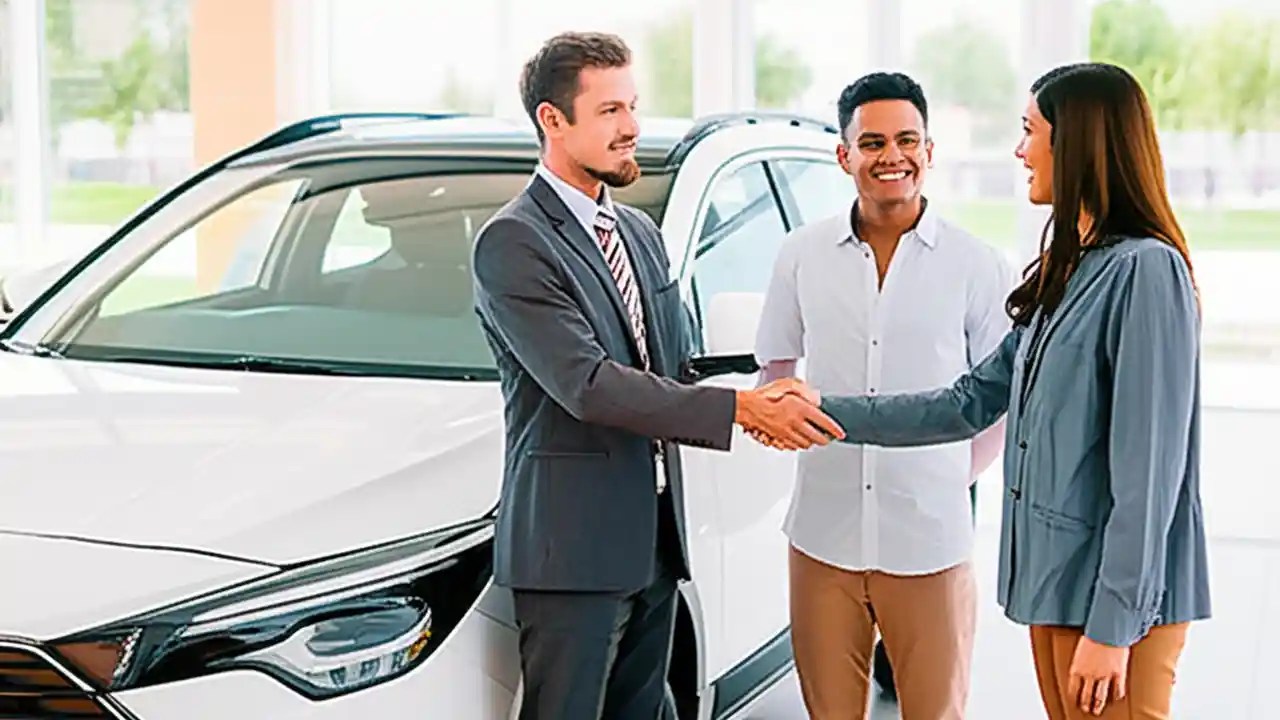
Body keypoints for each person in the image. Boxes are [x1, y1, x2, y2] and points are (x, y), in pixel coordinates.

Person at [765, 62, 1212, 720]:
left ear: (1078, 142)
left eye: (1030, 131)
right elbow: (967, 402)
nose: (1019, 149)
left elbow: (1151, 474)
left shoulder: (1147, 271)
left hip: (1117, 607)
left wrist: (1114, 627)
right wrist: (821, 409)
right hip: (1060, 587)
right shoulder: (1069, 267)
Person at [470, 31, 844, 720]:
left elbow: (669, 368)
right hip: (574, 557)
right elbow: (588, 384)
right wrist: (742, 413)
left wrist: (763, 392)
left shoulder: (640, 234)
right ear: (553, 121)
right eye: (610, 110)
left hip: (658, 545)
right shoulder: (514, 241)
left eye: (632, 107)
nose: (631, 127)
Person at [753, 72, 1014, 720]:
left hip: (930, 541)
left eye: (906, 140)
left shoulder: (976, 263)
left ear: (930, 149)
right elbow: (774, 375)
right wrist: (791, 429)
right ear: (844, 156)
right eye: (871, 142)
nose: (890, 156)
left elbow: (1003, 397)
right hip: (822, 537)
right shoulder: (800, 255)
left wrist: (952, 475)